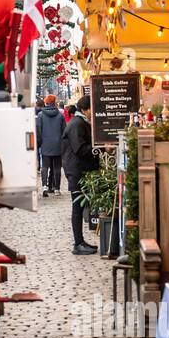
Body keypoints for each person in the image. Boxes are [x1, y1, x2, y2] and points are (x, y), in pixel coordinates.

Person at [62, 93, 100, 254]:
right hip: (76, 171)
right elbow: (80, 149)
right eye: (92, 109)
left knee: (79, 206)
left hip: (78, 170)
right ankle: (78, 244)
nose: (94, 112)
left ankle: (81, 241)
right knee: (77, 207)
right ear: (85, 109)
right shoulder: (77, 124)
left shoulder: (80, 122)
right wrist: (101, 148)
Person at [37, 93, 65, 196]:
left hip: (45, 144)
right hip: (57, 144)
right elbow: (64, 131)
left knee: (45, 166)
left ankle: (44, 186)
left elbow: (39, 131)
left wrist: (39, 144)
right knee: (57, 167)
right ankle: (56, 188)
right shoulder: (60, 115)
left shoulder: (40, 115)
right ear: (54, 103)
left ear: (46, 102)